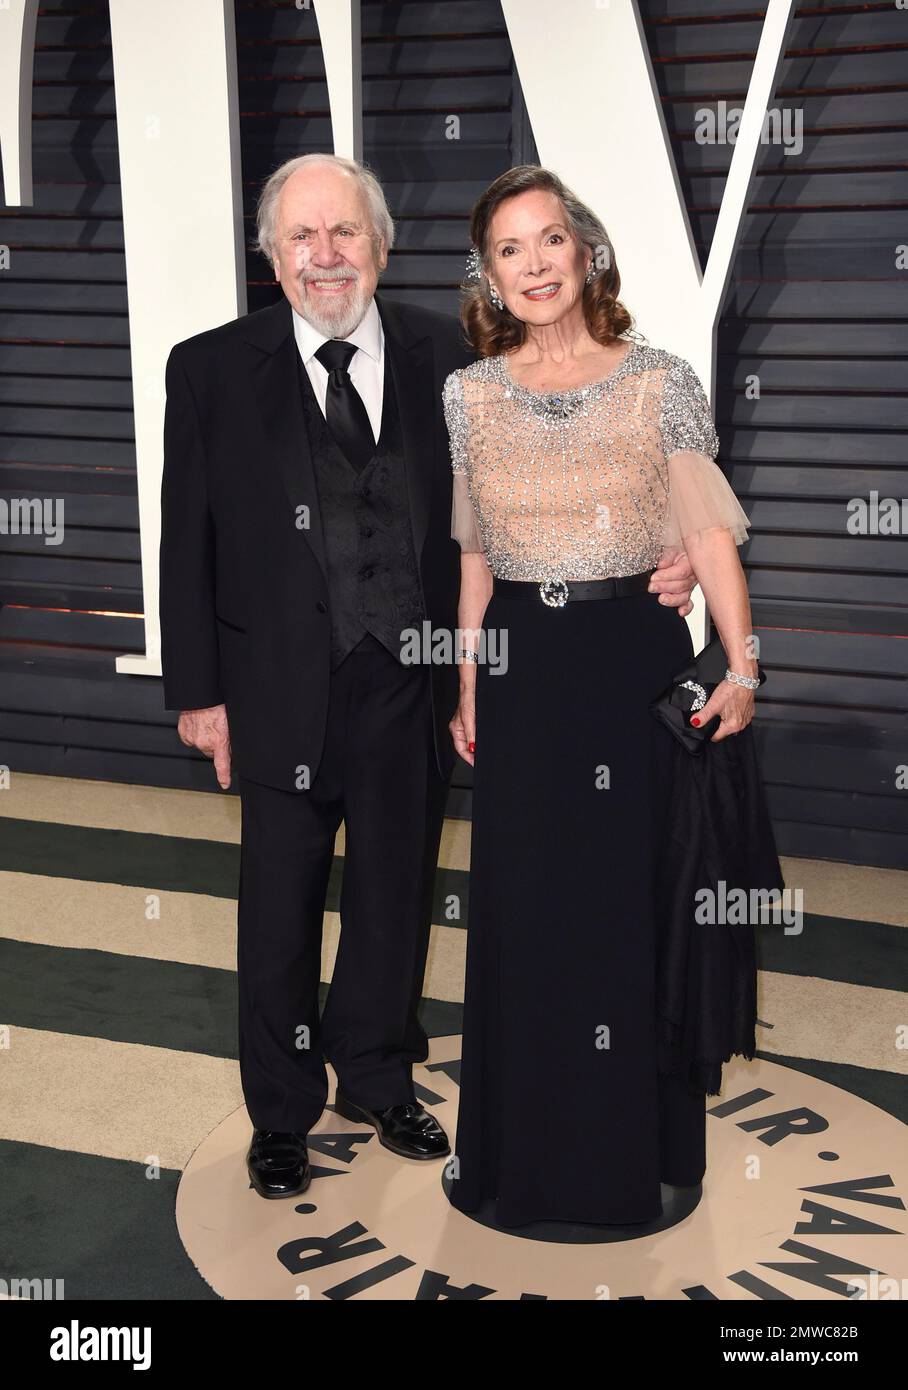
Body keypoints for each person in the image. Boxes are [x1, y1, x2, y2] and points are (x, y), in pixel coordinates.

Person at [159, 153, 699, 1203]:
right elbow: (187, 540)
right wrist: (199, 692)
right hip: (274, 688)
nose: (326, 256)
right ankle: (281, 1111)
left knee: (395, 896)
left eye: (344, 233)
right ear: (272, 257)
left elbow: (546, 487)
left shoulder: (447, 357)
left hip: (407, 680)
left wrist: (666, 552)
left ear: (381, 245)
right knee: (276, 905)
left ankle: (374, 1073)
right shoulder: (210, 368)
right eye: (303, 238)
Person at [442, 165, 757, 1228]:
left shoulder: (658, 378)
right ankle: (519, 1157)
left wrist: (741, 662)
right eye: (507, 251)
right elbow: (474, 552)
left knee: (627, 911)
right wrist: (466, 676)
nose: (532, 265)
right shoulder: (469, 394)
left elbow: (706, 531)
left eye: (548, 242)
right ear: (485, 275)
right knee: (525, 912)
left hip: (628, 663)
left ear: (586, 251)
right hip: (522, 672)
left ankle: (634, 1155)